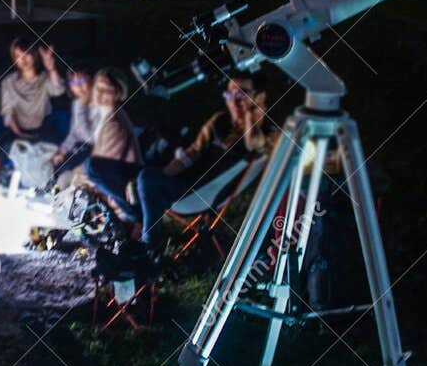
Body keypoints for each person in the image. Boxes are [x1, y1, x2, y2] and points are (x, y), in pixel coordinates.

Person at [135, 74, 271, 244]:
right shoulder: (219, 120)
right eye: (230, 94)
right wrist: (163, 175)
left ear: (258, 97)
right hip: (186, 185)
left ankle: (149, 245)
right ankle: (137, 231)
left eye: (242, 94)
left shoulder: (262, 134)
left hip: (201, 194)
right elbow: (193, 152)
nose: (234, 101)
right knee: (145, 177)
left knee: (146, 180)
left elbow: (253, 144)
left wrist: (251, 114)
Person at [76, 68, 143, 225]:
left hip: (131, 185)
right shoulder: (104, 116)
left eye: (106, 90)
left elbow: (101, 164)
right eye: (98, 88)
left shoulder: (113, 121)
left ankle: (135, 217)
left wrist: (83, 181)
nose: (100, 94)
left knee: (91, 168)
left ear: (117, 94)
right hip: (121, 177)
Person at [0, 38, 66, 141]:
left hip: (45, 128)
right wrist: (18, 133)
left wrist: (51, 69)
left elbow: (58, 91)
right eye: (18, 56)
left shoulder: (45, 77)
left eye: (26, 54)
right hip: (19, 130)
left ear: (34, 54)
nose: (23, 59)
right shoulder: (8, 82)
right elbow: (7, 112)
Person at [50, 67, 96, 183]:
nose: (77, 87)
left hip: (97, 152)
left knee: (66, 179)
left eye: (81, 82)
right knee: (54, 168)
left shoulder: (100, 104)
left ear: (92, 81)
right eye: (72, 83)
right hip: (81, 150)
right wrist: (62, 151)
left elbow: (90, 138)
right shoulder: (77, 104)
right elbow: (74, 133)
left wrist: (81, 107)